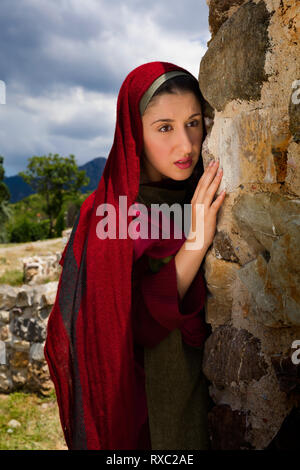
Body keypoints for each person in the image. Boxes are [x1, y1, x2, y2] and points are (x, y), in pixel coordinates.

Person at [44, 61, 225, 450]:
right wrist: (195, 243)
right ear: (133, 134)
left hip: (202, 395)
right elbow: (131, 325)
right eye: (165, 128)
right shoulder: (106, 215)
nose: (186, 144)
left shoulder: (203, 192)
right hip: (135, 411)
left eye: (194, 122)